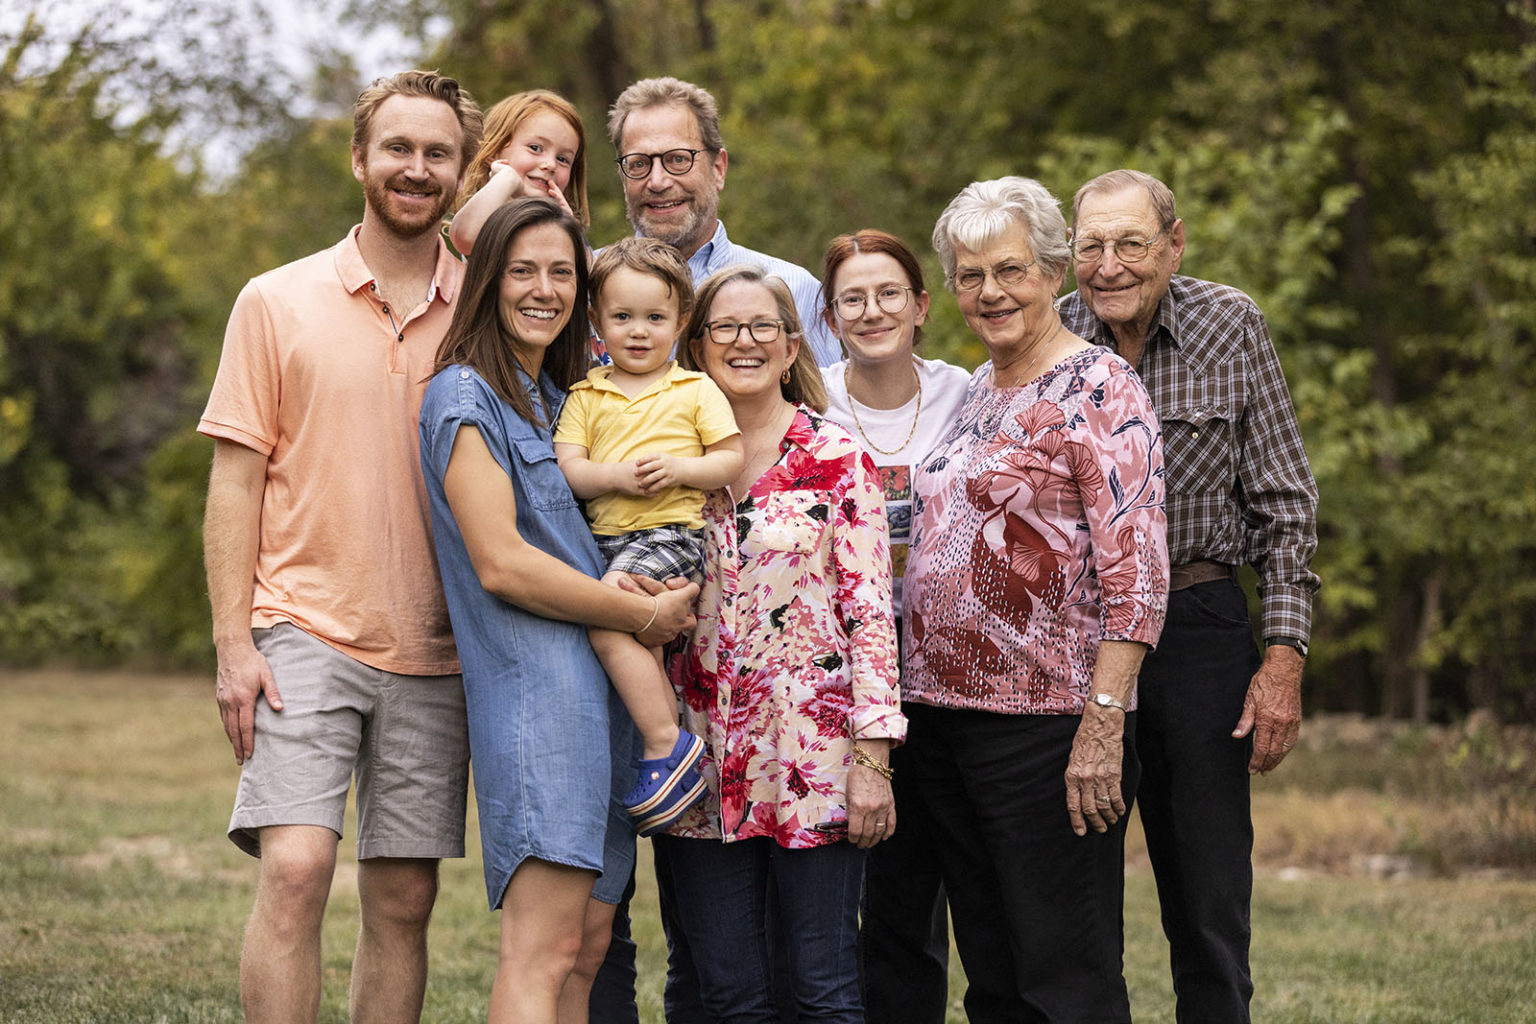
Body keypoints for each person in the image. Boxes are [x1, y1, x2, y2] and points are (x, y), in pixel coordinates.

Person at [198, 70, 482, 1024]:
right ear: (360, 159)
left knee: (404, 899)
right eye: (397, 148)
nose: (416, 167)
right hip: (301, 625)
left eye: (437, 153)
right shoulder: (274, 302)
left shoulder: (487, 313)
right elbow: (236, 480)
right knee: (298, 865)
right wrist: (234, 644)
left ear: (460, 174)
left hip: (439, 646)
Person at [417, 197, 700, 1023]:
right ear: (487, 283)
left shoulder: (558, 398)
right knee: (541, 955)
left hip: (605, 709)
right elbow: (502, 564)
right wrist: (643, 618)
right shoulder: (465, 395)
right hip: (540, 707)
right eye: (522, 270)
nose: (543, 289)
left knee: (585, 951)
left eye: (562, 273)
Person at [901, 176, 1169, 1023]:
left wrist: (1103, 721)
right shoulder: (979, 389)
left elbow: (1139, 576)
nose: (990, 292)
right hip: (942, 719)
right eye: (971, 275)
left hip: (1047, 727)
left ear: (1054, 270)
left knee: (1065, 971)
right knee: (993, 969)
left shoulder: (1100, 388)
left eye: (1010, 269)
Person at [1057, 168, 1320, 1023]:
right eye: (1091, 245)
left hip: (1201, 628)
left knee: (1207, 896)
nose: (1109, 265)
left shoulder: (1230, 324)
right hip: (1076, 636)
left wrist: (1282, 661)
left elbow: (1285, 505)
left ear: (1174, 244)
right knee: (1075, 898)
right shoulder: (1050, 332)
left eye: (1131, 243)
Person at [644, 264, 903, 1023]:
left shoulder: (837, 460)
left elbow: (871, 617)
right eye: (725, 327)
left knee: (822, 989)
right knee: (728, 993)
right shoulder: (668, 467)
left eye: (764, 327)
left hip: (813, 762)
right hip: (701, 761)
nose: (745, 342)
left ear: (793, 348)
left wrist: (872, 761)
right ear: (697, 347)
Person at [814, 229, 969, 1024]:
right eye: (852, 298)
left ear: (920, 307)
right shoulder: (811, 400)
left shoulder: (967, 392)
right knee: (844, 897)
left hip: (949, 670)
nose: (871, 310)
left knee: (921, 894)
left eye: (887, 294)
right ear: (832, 316)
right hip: (844, 676)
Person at [553, 236, 745, 834]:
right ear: (596, 321)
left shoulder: (693, 389)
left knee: (608, 620)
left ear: (681, 320)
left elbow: (729, 457)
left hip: (670, 533)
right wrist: (614, 477)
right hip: (604, 538)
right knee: (643, 645)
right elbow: (569, 468)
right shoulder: (587, 393)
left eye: (656, 318)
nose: (639, 331)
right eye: (622, 317)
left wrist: (682, 469)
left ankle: (664, 742)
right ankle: (679, 754)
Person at [606, 76, 841, 366]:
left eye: (678, 159)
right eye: (639, 163)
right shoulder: (584, 286)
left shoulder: (797, 292)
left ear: (719, 169)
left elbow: (827, 405)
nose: (657, 181)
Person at [450, 89, 589, 256]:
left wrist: (570, 231)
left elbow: (591, 278)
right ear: (494, 151)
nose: (551, 164)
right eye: (535, 148)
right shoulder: (483, 218)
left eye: (563, 159)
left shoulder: (561, 228)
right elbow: (464, 237)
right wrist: (507, 179)